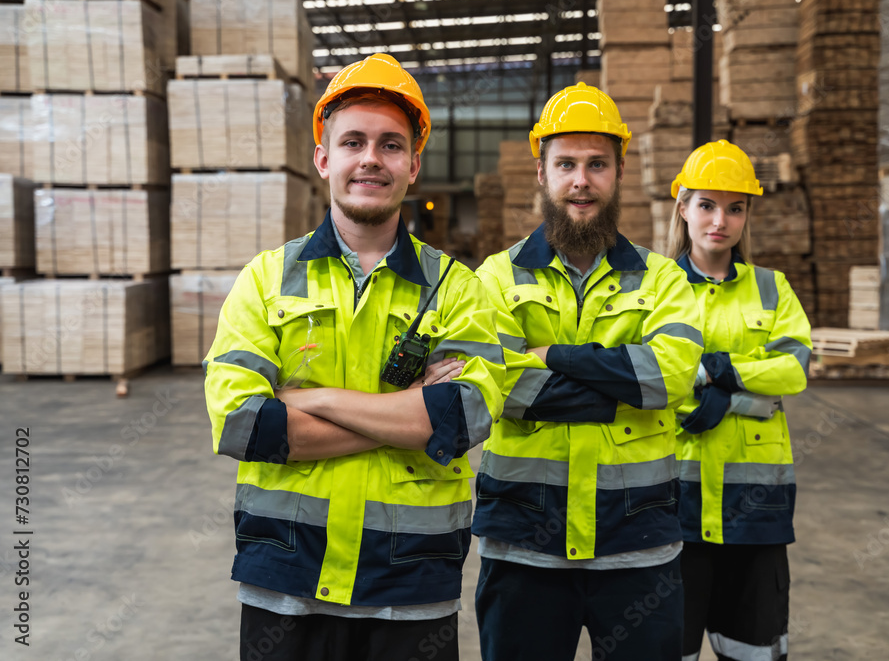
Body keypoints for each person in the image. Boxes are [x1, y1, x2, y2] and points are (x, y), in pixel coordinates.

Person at [203, 53, 505, 661]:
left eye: (391, 145)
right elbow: (244, 423)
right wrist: (407, 415)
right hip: (287, 579)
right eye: (354, 142)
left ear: (414, 165)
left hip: (410, 583)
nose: (371, 158)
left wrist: (310, 398)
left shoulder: (458, 288)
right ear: (324, 159)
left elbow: (462, 420)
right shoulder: (266, 280)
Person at [472, 82, 705, 661]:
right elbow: (497, 389)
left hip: (637, 547)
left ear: (620, 171)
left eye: (597, 164)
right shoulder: (496, 279)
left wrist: (551, 357)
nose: (582, 180)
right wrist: (625, 385)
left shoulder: (663, 279)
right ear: (542, 174)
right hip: (523, 545)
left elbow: (671, 379)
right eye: (567, 164)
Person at [663, 140, 812, 661]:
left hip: (757, 510)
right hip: (674, 504)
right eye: (706, 204)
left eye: (735, 207)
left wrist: (718, 376)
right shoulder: (654, 290)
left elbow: (794, 370)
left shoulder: (772, 288)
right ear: (682, 207)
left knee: (754, 650)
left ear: (748, 214)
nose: (719, 220)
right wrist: (747, 397)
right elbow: (651, 380)